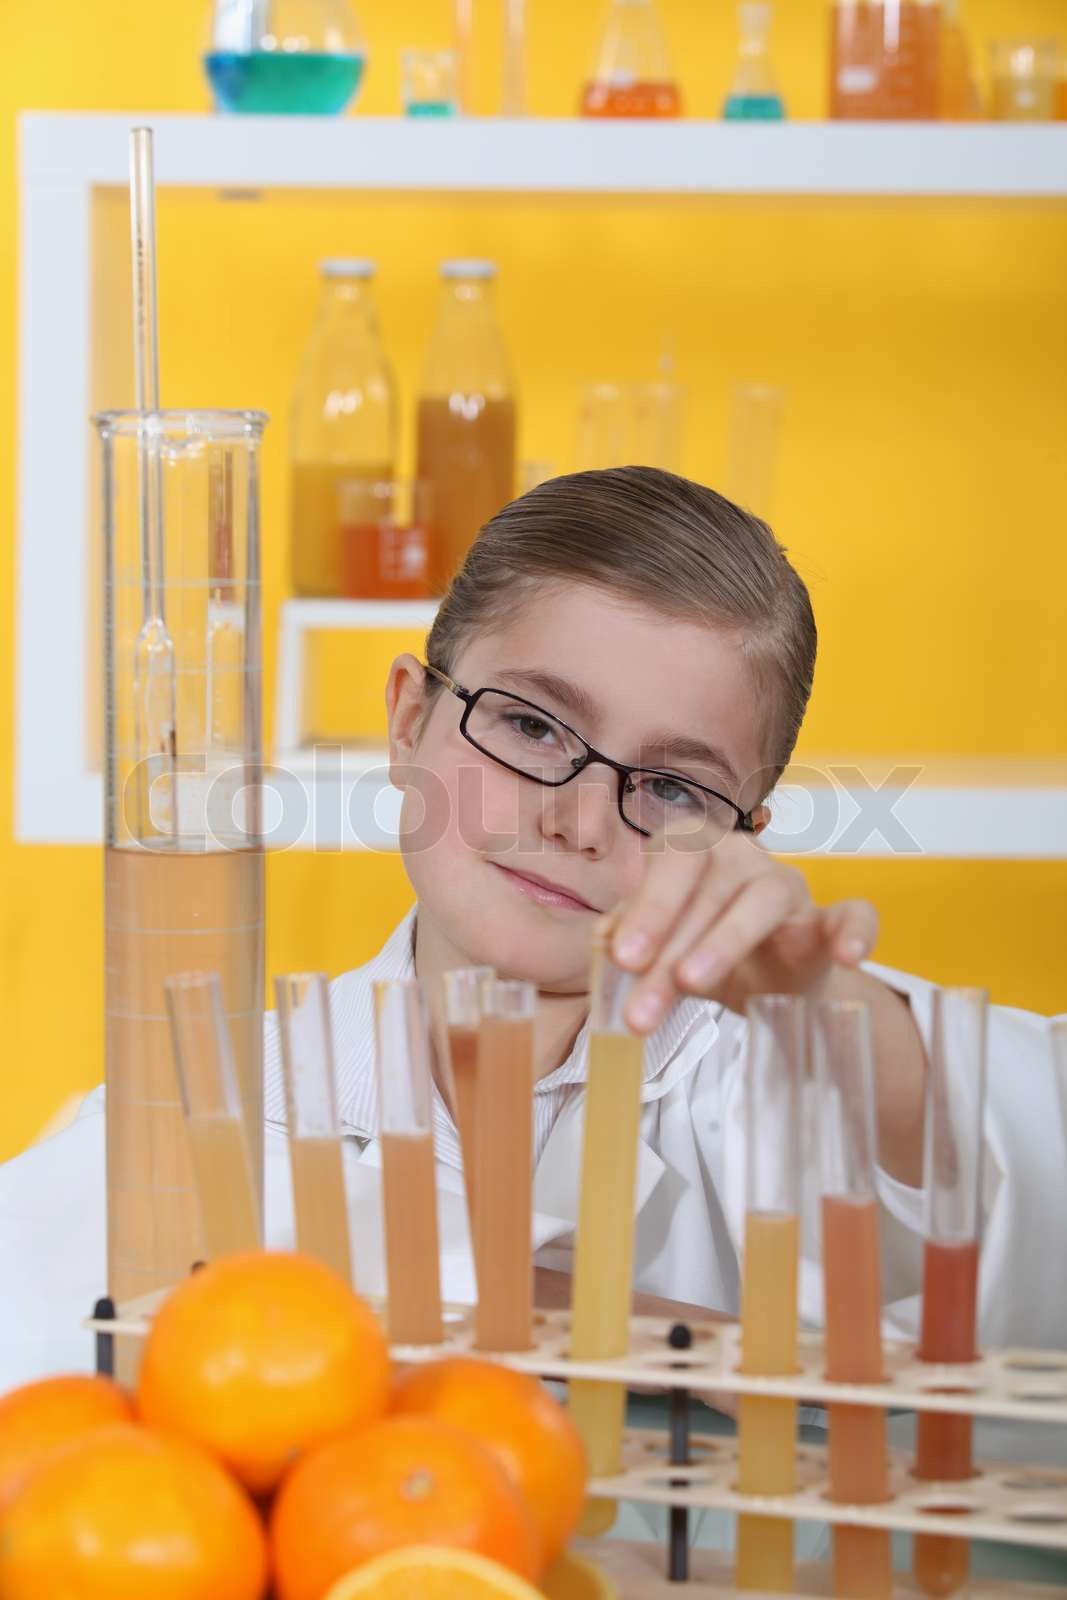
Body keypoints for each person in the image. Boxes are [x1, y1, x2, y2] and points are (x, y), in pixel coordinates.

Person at [1, 468, 1064, 1392]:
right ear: (410, 719)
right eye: (529, 724)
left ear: (746, 834)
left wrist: (835, 1016)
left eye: (673, 788)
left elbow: (1014, 1186)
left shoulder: (787, 1081)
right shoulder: (207, 1105)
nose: (579, 819)